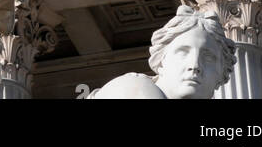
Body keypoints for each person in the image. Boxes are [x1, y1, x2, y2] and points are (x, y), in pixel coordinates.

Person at [90, 7, 236, 100]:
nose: (194, 65)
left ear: (222, 75)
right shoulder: (132, 88)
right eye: (183, 52)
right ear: (161, 62)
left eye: (208, 57)